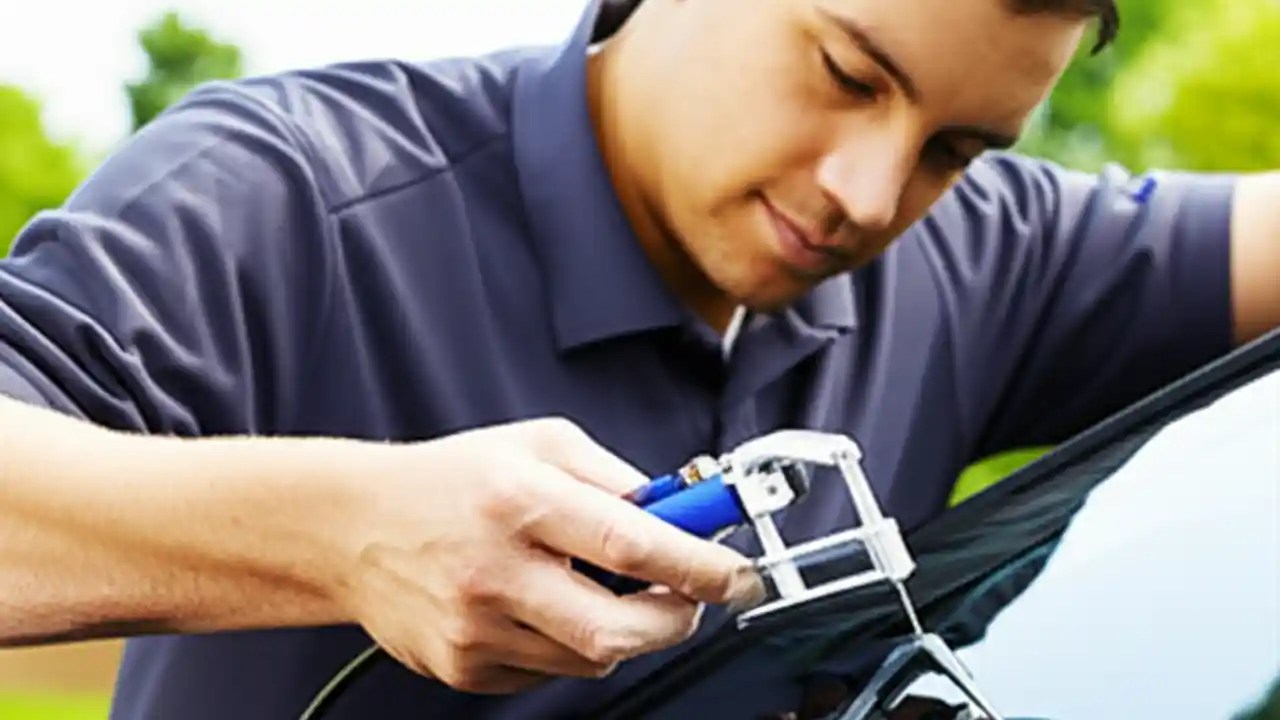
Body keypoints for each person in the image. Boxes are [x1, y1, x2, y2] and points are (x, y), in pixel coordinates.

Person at [0, 0, 1276, 717]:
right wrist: (341, 530)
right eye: (843, 72)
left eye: (956, 150)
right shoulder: (284, 193)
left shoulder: (985, 259)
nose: (869, 195)